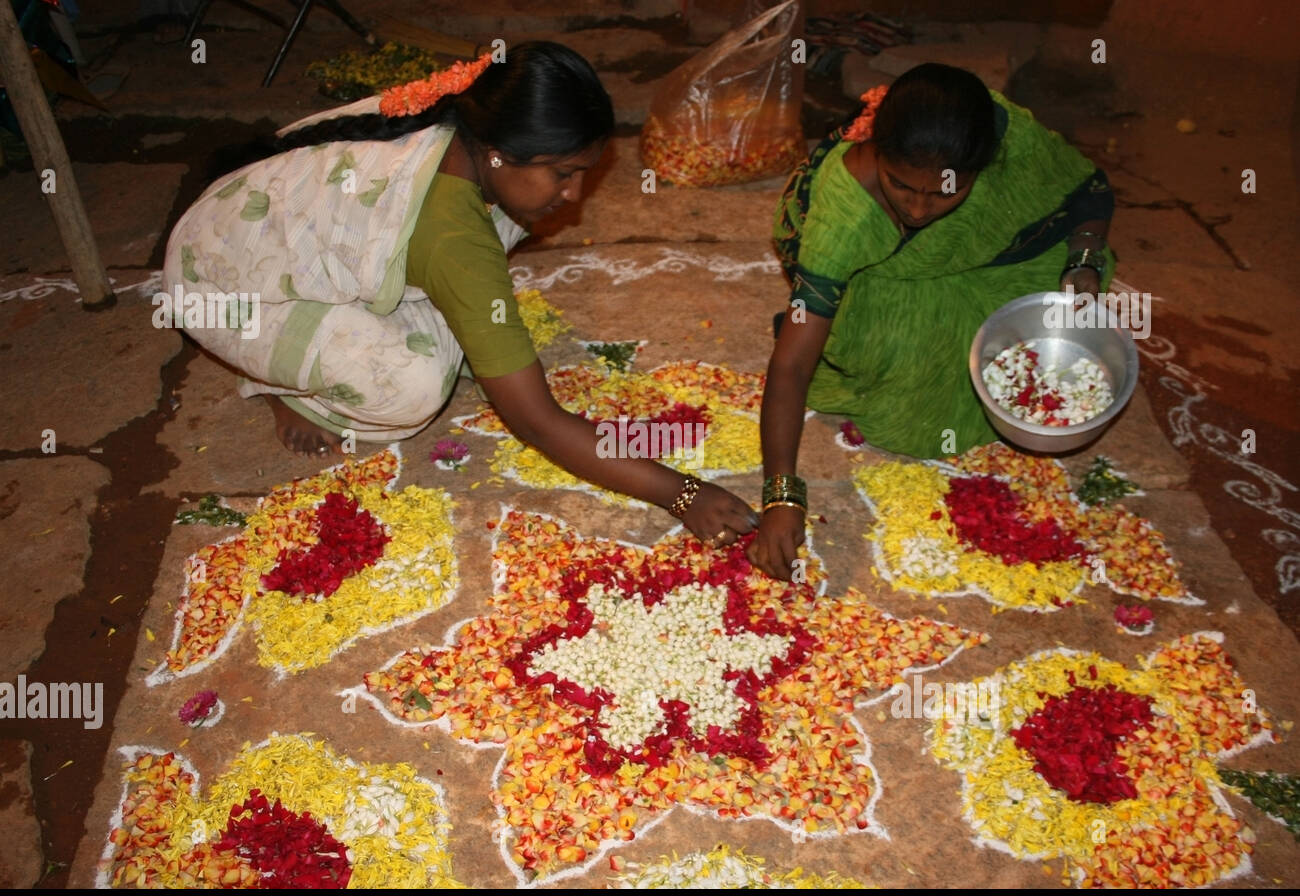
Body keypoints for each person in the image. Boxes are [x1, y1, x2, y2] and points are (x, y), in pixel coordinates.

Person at [161, 41, 757, 546]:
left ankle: (371, 310)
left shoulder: (469, 118)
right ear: (499, 152)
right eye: (564, 173)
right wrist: (681, 493)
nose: (575, 196)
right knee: (411, 390)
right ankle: (279, 386)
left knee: (488, 269)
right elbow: (539, 423)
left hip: (248, 229)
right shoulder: (452, 232)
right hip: (224, 287)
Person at [747, 63, 1115, 581]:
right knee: (909, 374)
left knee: (1054, 301)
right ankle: (849, 317)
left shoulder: (1010, 142)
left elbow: (1087, 190)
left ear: (983, 170)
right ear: (877, 151)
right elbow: (790, 367)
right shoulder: (847, 212)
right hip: (878, 270)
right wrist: (781, 496)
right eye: (901, 186)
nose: (920, 208)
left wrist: (1083, 262)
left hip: (989, 259)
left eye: (945, 193)